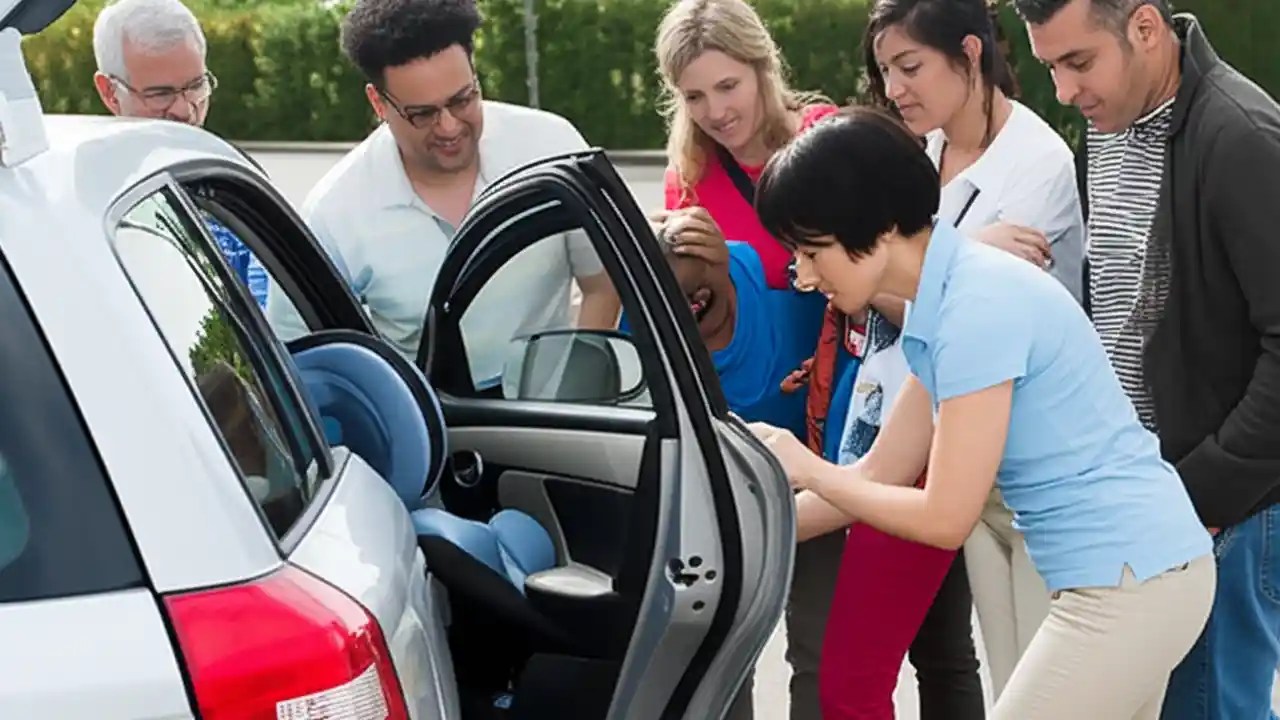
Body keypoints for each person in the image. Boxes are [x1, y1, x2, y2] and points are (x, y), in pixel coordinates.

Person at [750, 106, 1215, 720]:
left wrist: (805, 468)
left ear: (879, 225)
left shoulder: (975, 306)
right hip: (1138, 575)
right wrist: (744, 523)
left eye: (813, 251)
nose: (803, 276)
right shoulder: (945, 299)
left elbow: (945, 516)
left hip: (1131, 580)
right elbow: (878, 475)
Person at [1013, 1, 1280, 717]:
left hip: (1228, 513)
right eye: (1051, 68)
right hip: (1147, 509)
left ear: (1144, 28)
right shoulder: (1110, 127)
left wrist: (1199, 495)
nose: (1065, 92)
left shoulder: (1241, 137)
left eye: (1078, 63)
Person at [861, 0, 1089, 703]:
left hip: (1037, 468)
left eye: (910, 67)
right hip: (960, 456)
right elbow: (886, 286)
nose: (895, 89)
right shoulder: (922, 147)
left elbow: (961, 309)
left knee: (1046, 692)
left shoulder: (1038, 161)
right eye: (885, 73)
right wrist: (962, 260)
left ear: (969, 52)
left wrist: (913, 275)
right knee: (1005, 677)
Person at [652, 2, 847, 716]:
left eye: (727, 86)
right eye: (694, 96)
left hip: (831, 433)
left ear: (762, 67)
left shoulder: (826, 141)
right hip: (742, 443)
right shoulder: (690, 181)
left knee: (823, 650)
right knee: (722, 649)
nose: (715, 111)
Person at [270, 0, 619, 365]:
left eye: (463, 99)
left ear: (475, 72)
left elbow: (602, 282)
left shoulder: (551, 147)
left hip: (554, 410)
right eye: (422, 114)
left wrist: (577, 385)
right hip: (427, 417)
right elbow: (299, 354)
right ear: (378, 103)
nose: (449, 126)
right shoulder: (335, 212)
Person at [92, 0, 268, 307]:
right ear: (109, 92)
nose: (185, 110)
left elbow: (270, 306)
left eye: (196, 86)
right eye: (161, 94)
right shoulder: (91, 204)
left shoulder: (232, 176)